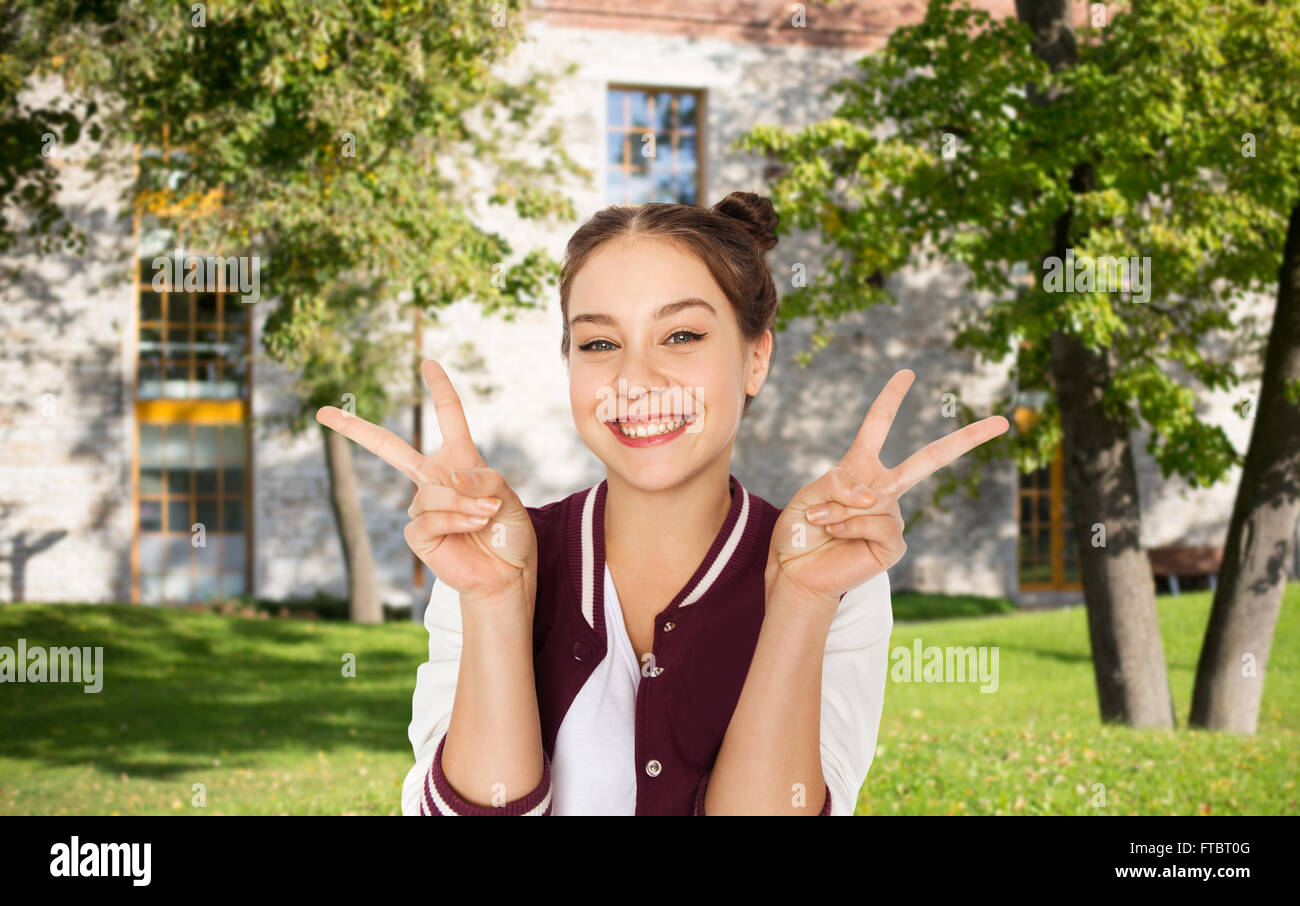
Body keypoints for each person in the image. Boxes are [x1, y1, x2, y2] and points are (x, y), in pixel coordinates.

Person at [316, 191, 1009, 815]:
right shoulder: (484, 556)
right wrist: (496, 604)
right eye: (599, 342)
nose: (636, 379)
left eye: (681, 336)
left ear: (756, 357)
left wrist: (799, 599)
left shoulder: (836, 574)